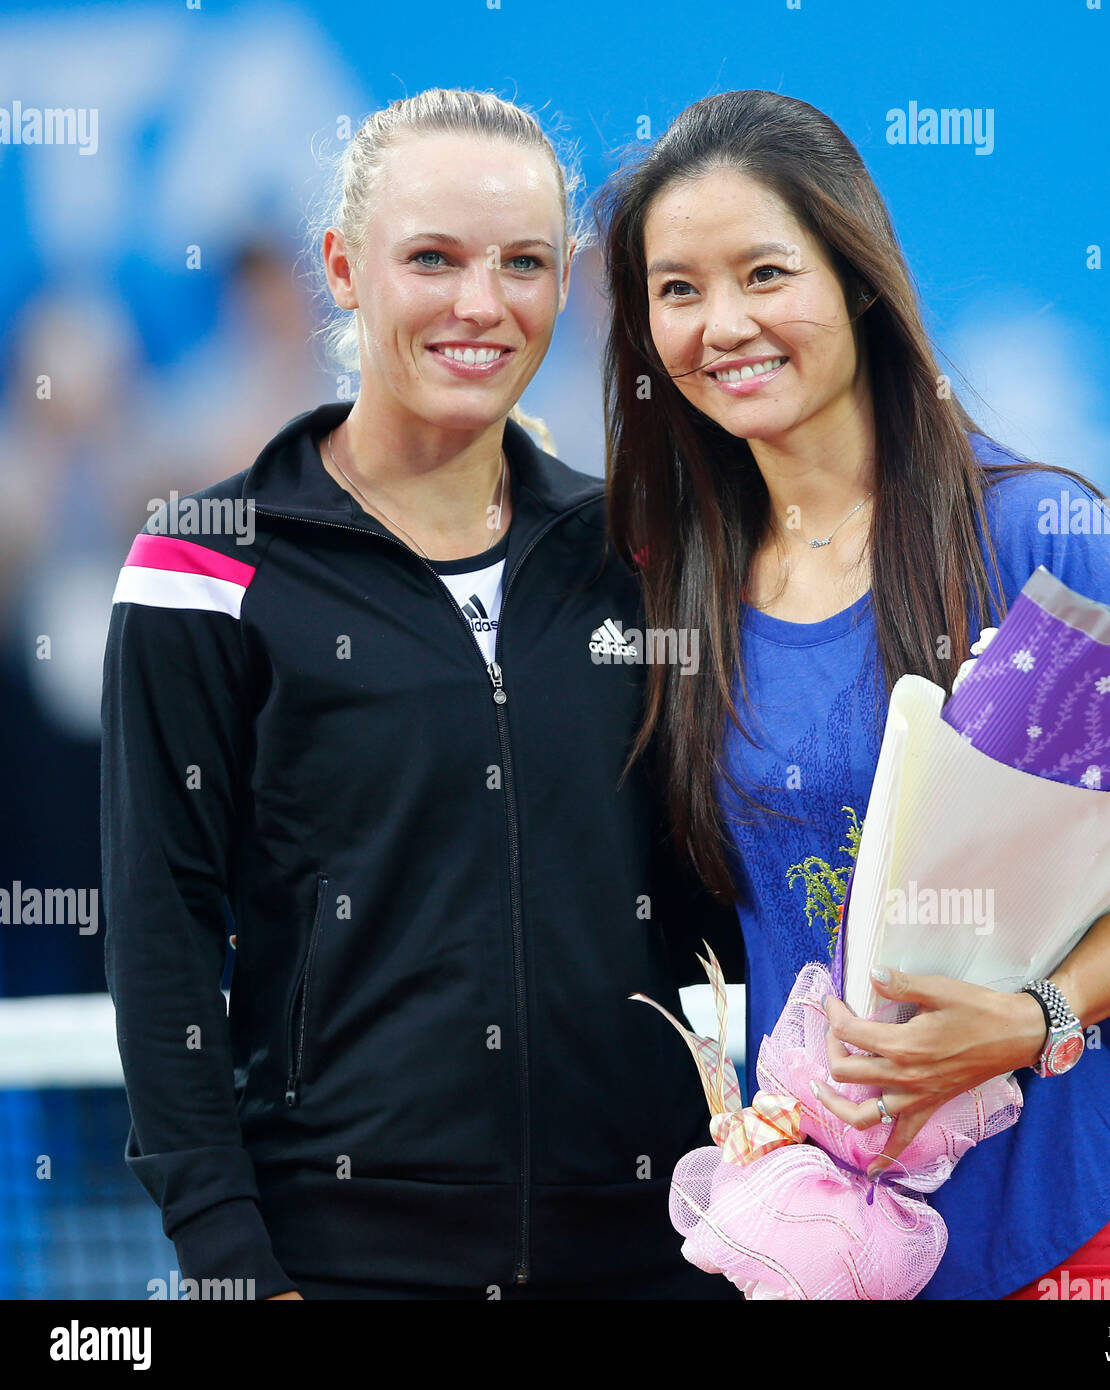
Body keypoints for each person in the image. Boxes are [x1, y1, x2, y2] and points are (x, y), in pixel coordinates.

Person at [596, 88, 1110, 1301]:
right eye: (677, 289)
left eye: (763, 273)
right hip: (852, 1252)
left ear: (854, 280)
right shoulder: (678, 589)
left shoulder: (1032, 531)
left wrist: (1033, 1019)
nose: (722, 323)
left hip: (1092, 1218)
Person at [101, 87, 739, 1301]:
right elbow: (160, 939)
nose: (480, 305)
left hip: (657, 1255)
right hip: (340, 1263)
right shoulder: (202, 568)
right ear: (344, 267)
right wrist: (235, 1269)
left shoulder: (648, 555)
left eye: (524, 263)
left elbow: (718, 892)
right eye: (432, 259)